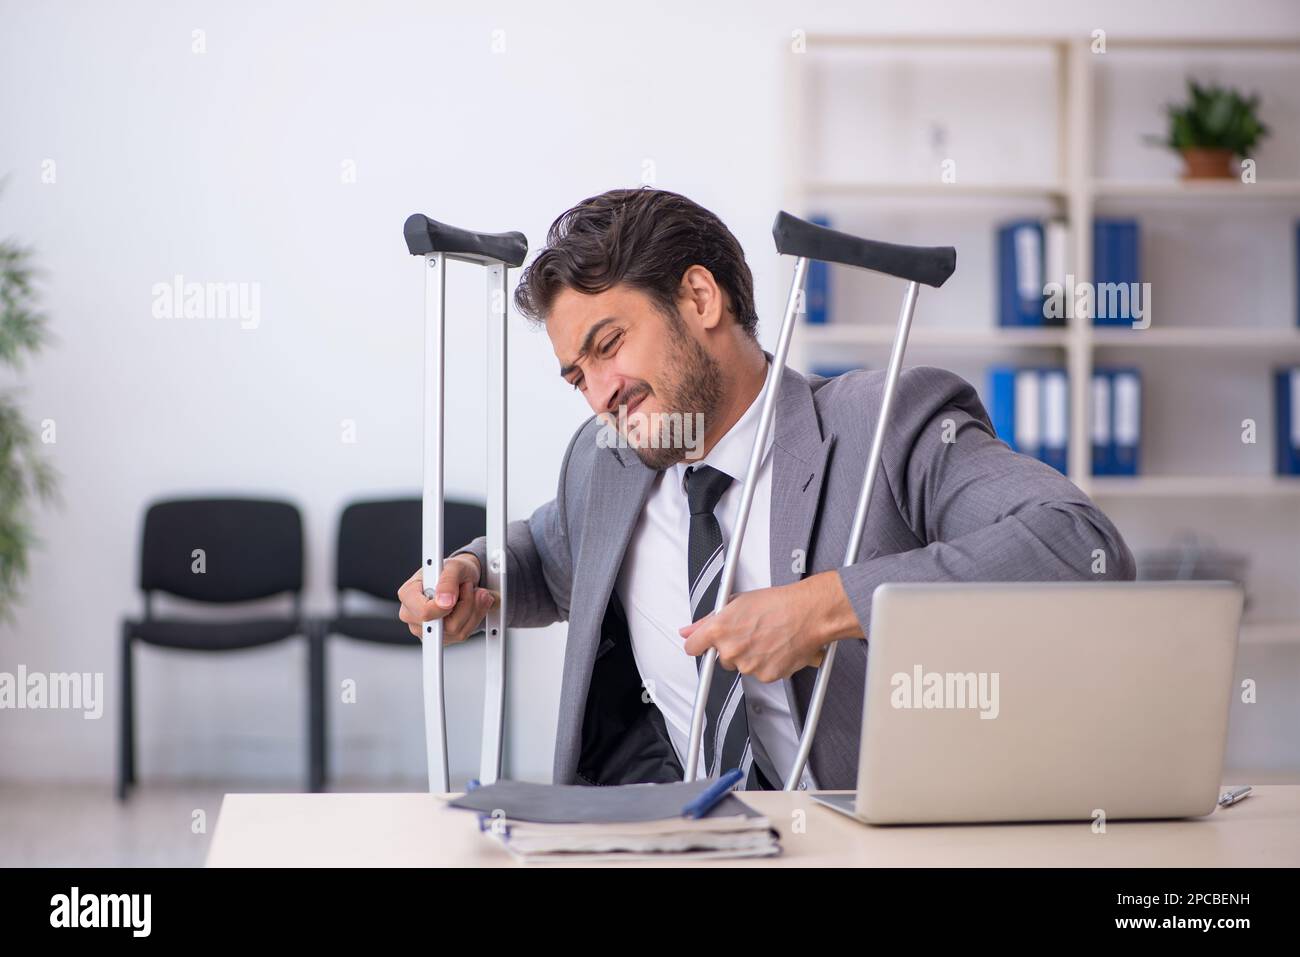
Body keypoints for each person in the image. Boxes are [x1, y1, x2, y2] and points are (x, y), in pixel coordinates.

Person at [397, 187, 1136, 790]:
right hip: (688, 836)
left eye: (609, 345)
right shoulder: (607, 461)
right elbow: (548, 554)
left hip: (871, 842)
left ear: (698, 297)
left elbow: (1079, 546)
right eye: (576, 374)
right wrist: (469, 572)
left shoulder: (889, 426)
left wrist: (827, 606)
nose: (599, 393)